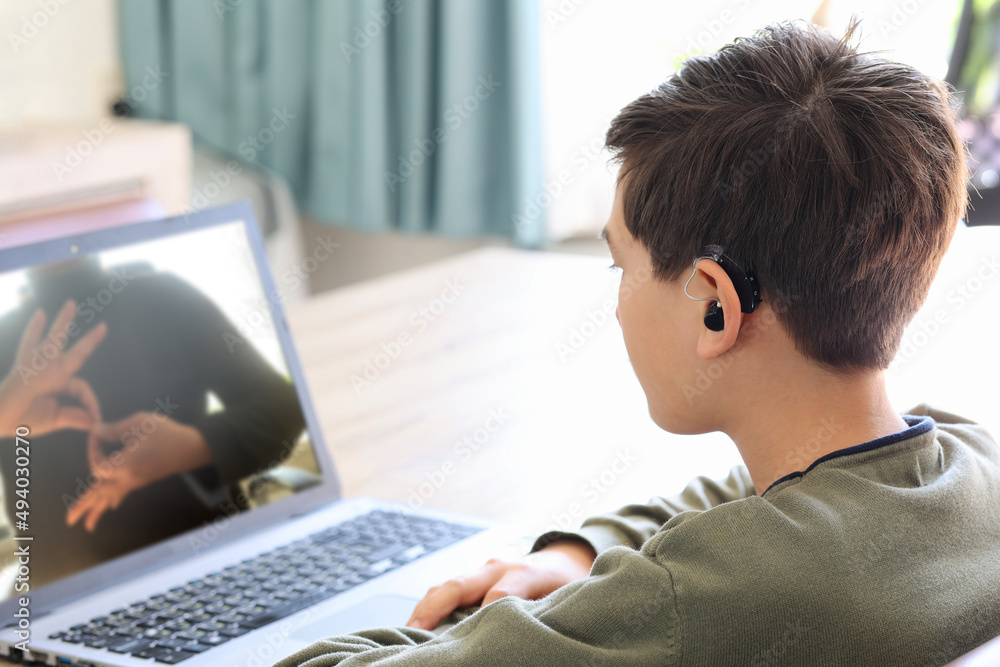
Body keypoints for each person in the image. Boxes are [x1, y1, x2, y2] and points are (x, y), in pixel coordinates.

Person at [275, 20, 1000, 666]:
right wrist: (578, 552)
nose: (617, 304)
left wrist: (490, 624)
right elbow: (758, 498)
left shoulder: (694, 597)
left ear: (715, 305)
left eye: (621, 267)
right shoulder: (973, 464)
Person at [0, 256, 307, 590]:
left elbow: (283, 408)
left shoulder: (164, 298)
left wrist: (193, 447)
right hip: (61, 599)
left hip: (213, 571)